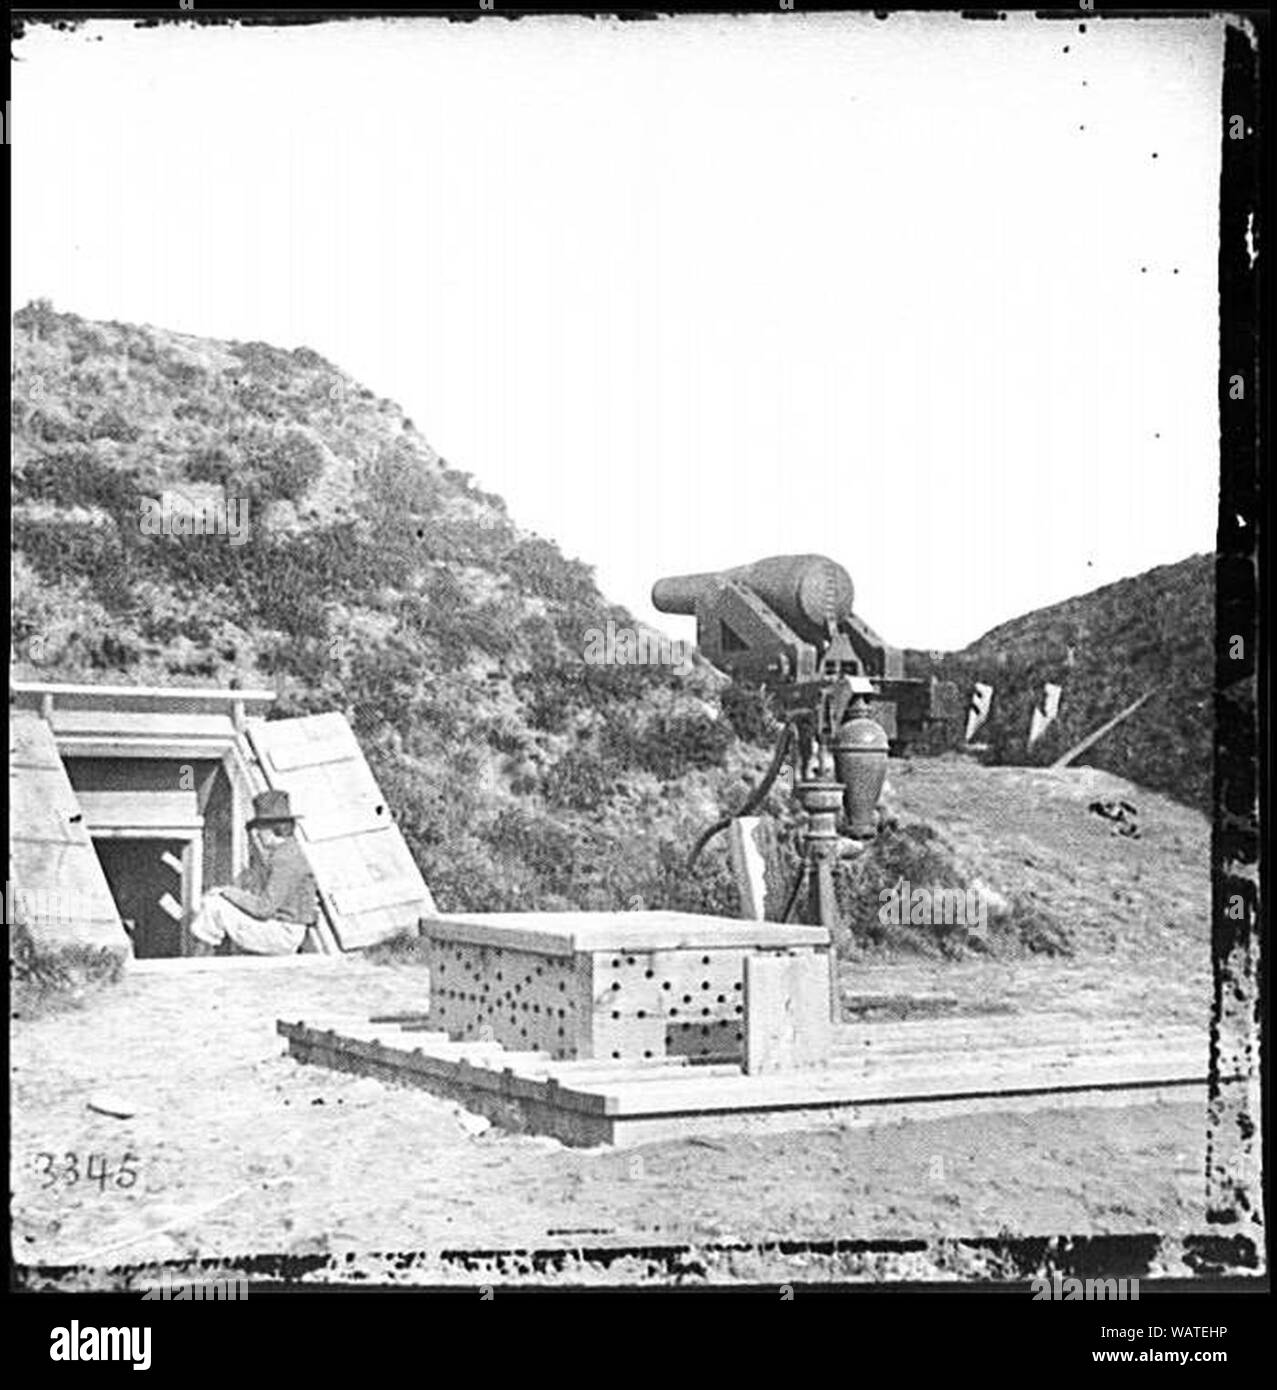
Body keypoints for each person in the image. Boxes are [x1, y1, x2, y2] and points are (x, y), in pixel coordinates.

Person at [188, 790, 317, 955]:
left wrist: (227, 892)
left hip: (283, 935)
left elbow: (263, 908)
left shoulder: (285, 860)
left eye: (260, 829)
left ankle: (196, 962)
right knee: (217, 903)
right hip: (282, 928)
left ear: (272, 829)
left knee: (215, 905)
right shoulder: (289, 852)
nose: (257, 834)